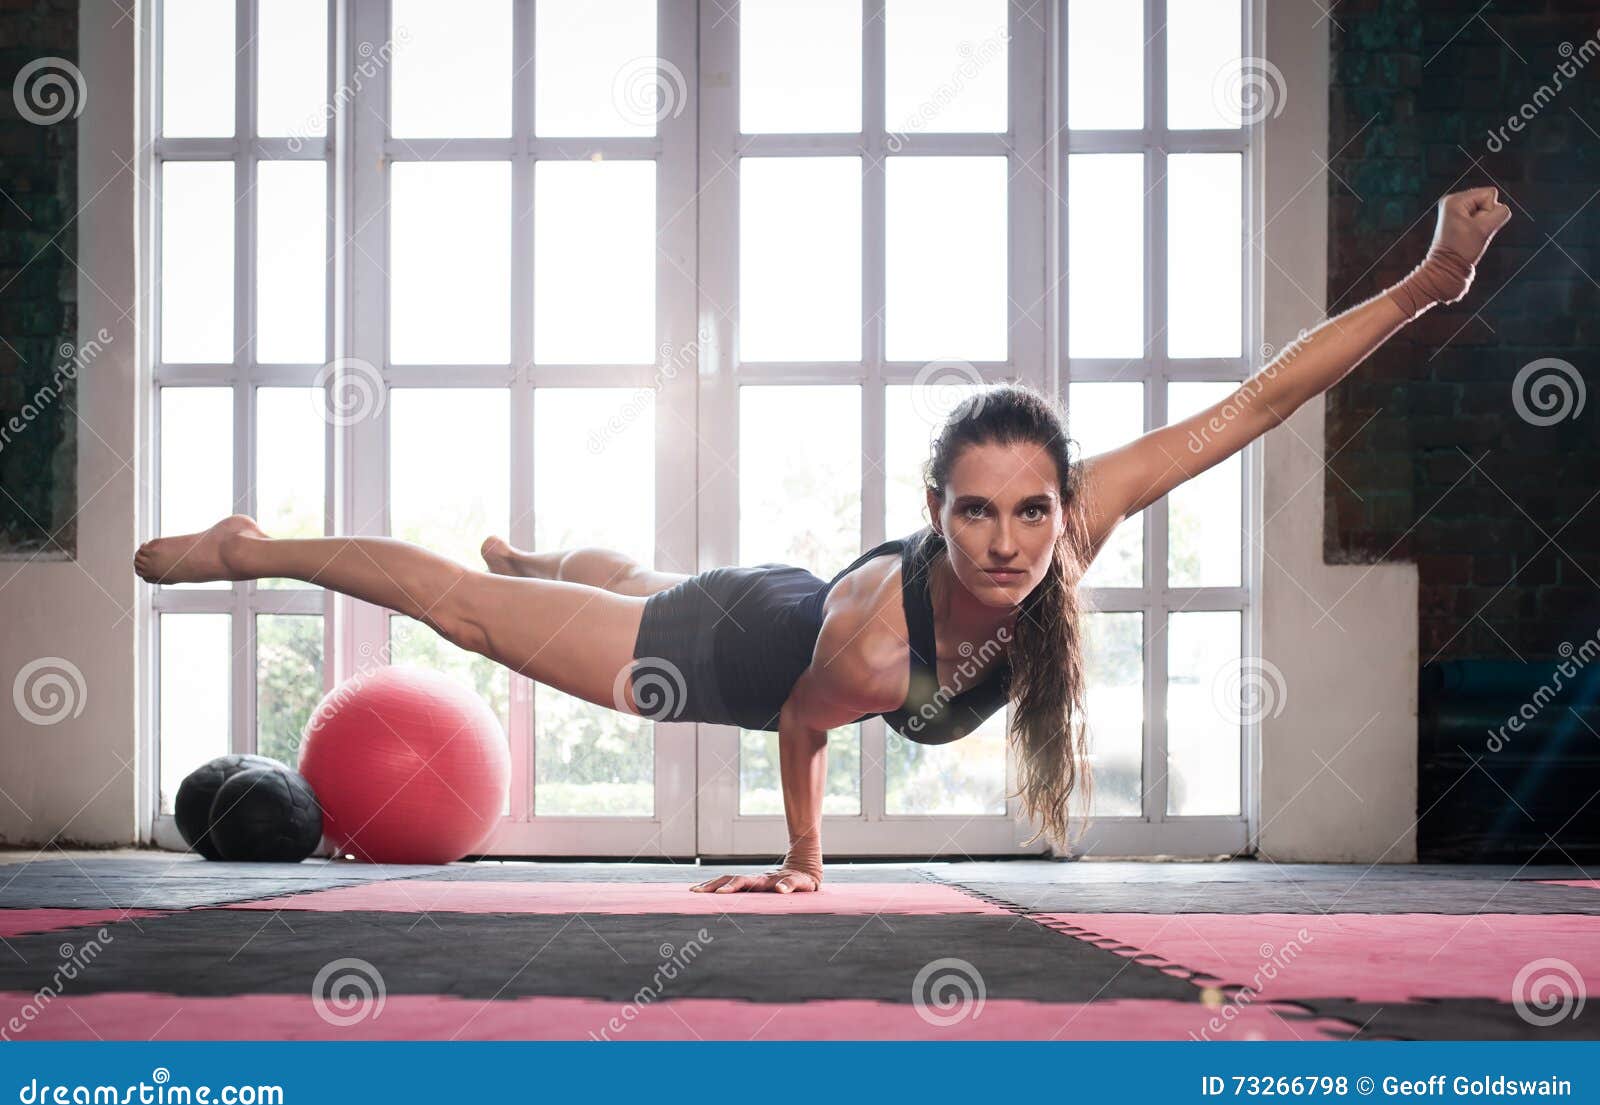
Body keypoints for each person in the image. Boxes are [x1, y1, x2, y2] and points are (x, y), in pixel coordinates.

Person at [136, 187, 1513, 894]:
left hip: (770, 595)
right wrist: (803, 864)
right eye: (977, 511)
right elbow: (800, 728)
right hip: (731, 654)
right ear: (937, 513)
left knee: (635, 576)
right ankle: (264, 547)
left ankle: (550, 559)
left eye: (1034, 509)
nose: (1012, 543)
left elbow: (1256, 400)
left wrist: (1424, 282)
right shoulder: (877, 644)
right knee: (472, 614)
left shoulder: (1069, 523)